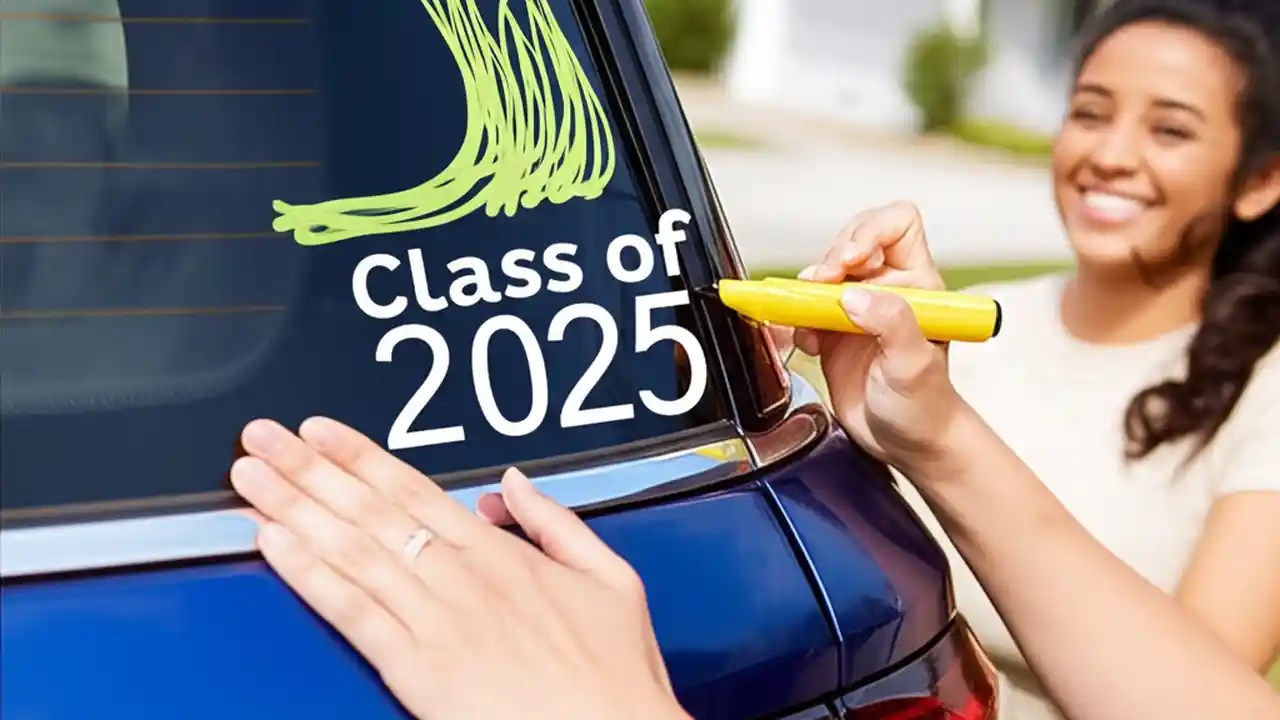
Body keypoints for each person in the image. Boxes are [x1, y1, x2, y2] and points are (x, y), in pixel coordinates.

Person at [797, 1, 1279, 717]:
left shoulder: (1265, 390)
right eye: (1090, 112)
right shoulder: (963, 323)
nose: (1109, 155)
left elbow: (1190, 698)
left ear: (1259, 182)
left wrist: (941, 440)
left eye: (1170, 129)